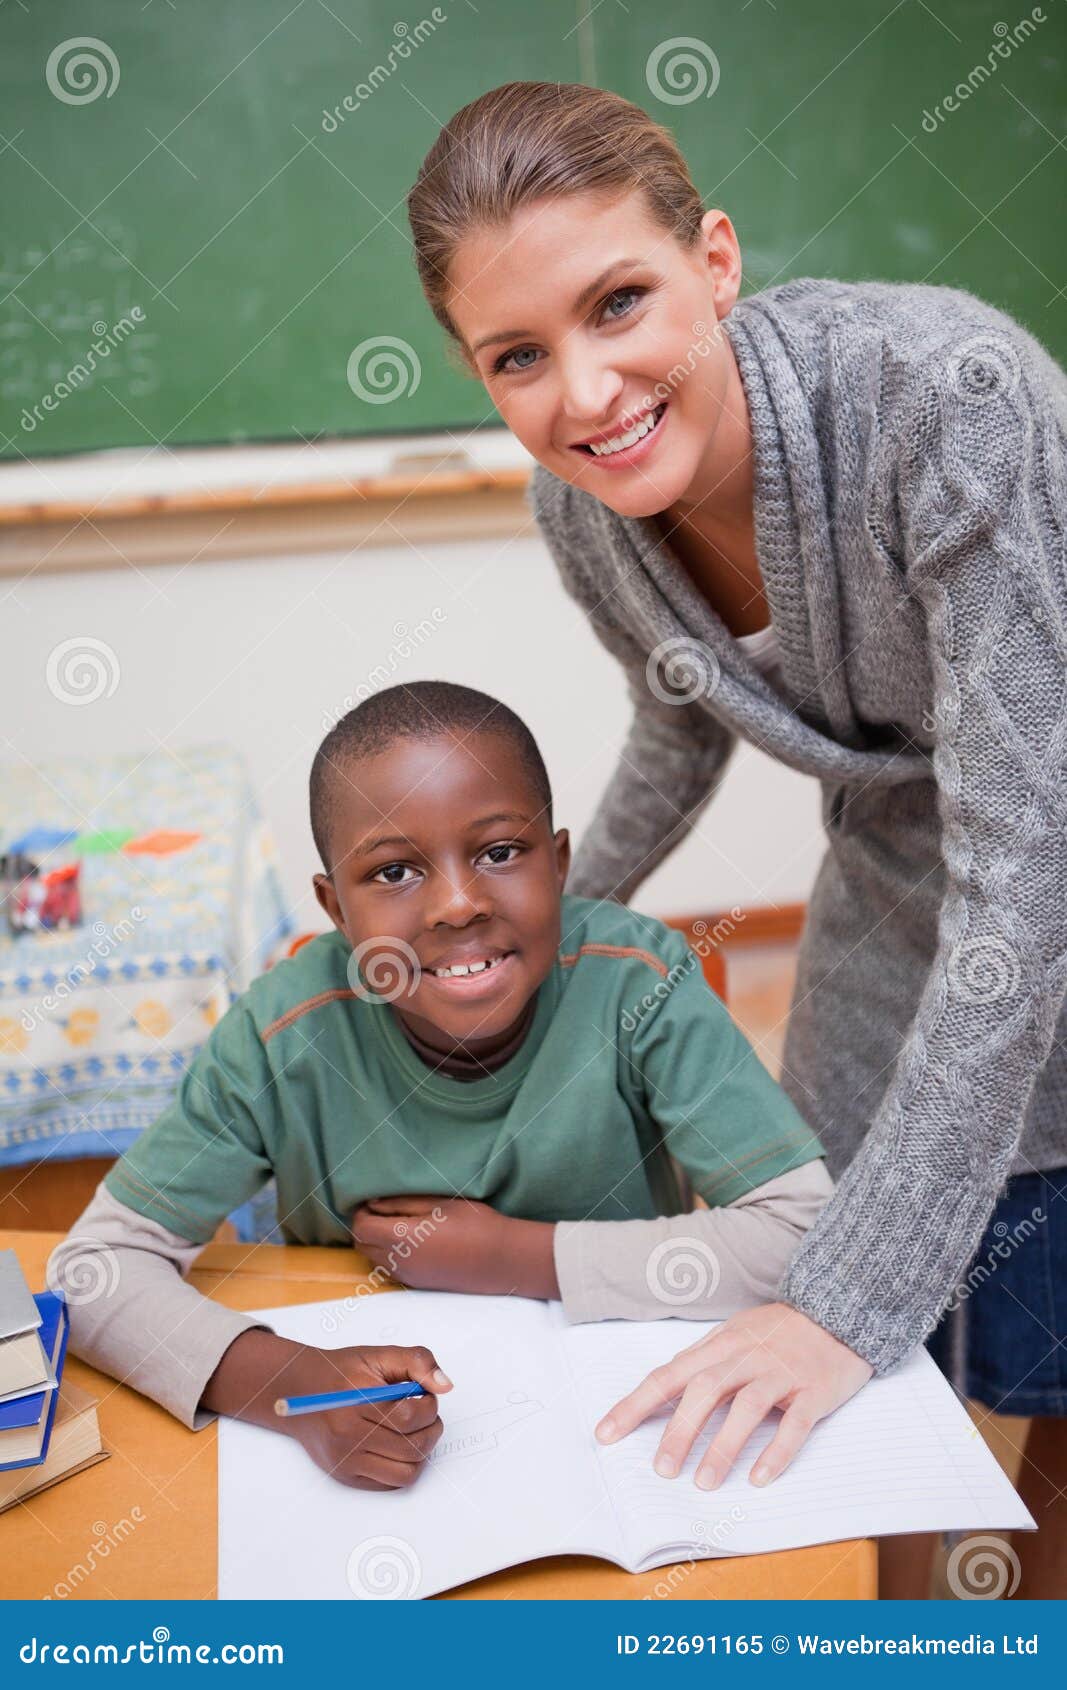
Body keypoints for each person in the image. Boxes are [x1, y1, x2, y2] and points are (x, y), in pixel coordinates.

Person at [405, 81, 1067, 1597]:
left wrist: (845, 1300)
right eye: (518, 355)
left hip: (1039, 858)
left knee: (1023, 1325)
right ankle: (902, 1616)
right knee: (851, 1310)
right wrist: (538, 923)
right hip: (906, 872)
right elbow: (679, 711)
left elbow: (1024, 885)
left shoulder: (943, 400)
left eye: (617, 301)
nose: (582, 393)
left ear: (714, 259)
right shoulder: (582, 509)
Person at [49, 681, 831, 1492]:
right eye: (393, 872)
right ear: (335, 910)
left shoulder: (639, 985)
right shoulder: (281, 1035)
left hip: (616, 1425)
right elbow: (93, 1272)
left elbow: (807, 1238)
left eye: (500, 852)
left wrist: (516, 1258)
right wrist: (292, 1385)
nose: (458, 904)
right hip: (362, 1435)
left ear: (558, 866)